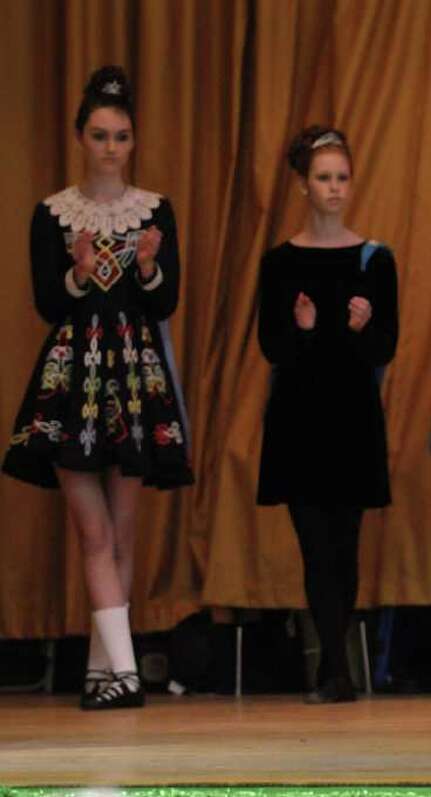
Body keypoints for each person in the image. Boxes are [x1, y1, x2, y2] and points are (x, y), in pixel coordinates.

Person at [3, 65, 193, 710]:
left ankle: (104, 671)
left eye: (121, 136)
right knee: (94, 535)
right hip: (73, 376)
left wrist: (144, 267)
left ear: (133, 141)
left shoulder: (155, 210)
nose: (111, 146)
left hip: (135, 375)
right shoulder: (53, 213)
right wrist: (79, 274)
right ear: (80, 137)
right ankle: (128, 675)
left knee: (123, 530)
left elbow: (165, 302)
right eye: (100, 134)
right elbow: (46, 301)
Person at [257, 125, 398, 704]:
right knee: (314, 544)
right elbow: (272, 346)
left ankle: (338, 668)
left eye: (342, 178)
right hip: (298, 419)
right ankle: (334, 668)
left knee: (347, 544)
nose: (335, 188)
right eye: (323, 178)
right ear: (302, 186)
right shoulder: (280, 262)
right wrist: (308, 331)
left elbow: (384, 348)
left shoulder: (374, 259)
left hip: (353, 417)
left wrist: (358, 329)